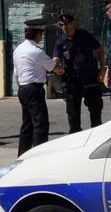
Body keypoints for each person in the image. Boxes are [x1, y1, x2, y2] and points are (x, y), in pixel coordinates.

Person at [52, 10, 105, 133]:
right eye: (61, 24)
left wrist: (102, 70)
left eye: (66, 23)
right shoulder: (60, 42)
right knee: (73, 113)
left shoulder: (84, 35)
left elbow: (100, 50)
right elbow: (55, 59)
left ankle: (97, 137)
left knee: (95, 110)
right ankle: (76, 138)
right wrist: (56, 68)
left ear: (73, 23)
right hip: (72, 80)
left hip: (90, 78)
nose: (64, 27)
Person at [13, 18, 57, 155]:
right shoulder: (36, 51)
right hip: (34, 89)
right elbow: (51, 66)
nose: (41, 36)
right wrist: (56, 60)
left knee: (27, 125)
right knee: (40, 125)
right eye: (41, 34)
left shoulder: (18, 50)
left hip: (23, 89)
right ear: (37, 34)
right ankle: (38, 156)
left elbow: (16, 74)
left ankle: (22, 154)